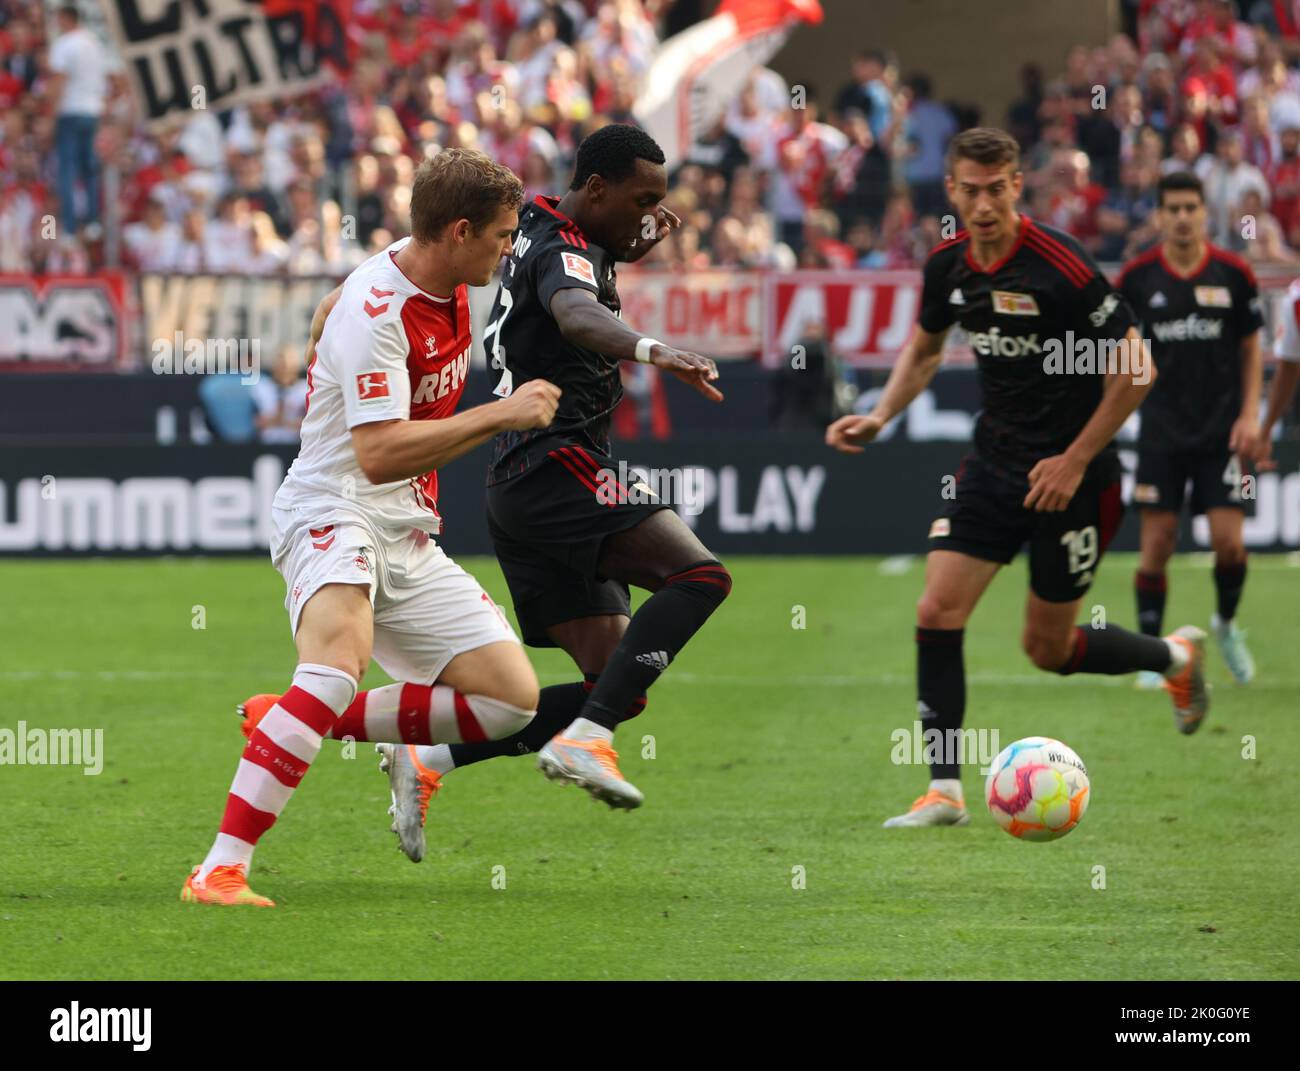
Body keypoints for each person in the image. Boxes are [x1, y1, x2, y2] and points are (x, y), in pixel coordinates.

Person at [182, 149, 560, 906]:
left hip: (404, 527)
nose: (506, 248)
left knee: (509, 698)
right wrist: (499, 412)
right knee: (332, 667)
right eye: (497, 235)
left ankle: (295, 718)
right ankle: (219, 869)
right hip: (334, 506)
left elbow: (357, 293)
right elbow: (378, 452)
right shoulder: (378, 311)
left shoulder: (437, 273)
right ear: (457, 231)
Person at [826, 128, 1209, 830]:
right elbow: (927, 346)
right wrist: (880, 414)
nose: (983, 204)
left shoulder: (1061, 267)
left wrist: (1072, 459)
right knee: (936, 610)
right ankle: (944, 789)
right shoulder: (947, 265)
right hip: (996, 464)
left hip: (1078, 477)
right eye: (969, 191)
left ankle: (1173, 655)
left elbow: (1137, 369)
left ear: (1015, 188)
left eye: (996, 190)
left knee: (1049, 650)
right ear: (952, 191)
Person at [1118, 172, 1264, 689]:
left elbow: (1252, 349)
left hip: (1220, 433)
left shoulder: (1233, 274)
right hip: (1159, 431)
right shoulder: (1136, 279)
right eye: (1172, 208)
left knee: (1229, 544)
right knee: (1156, 544)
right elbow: (1118, 353)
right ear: (1159, 216)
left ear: (1205, 213)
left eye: (1190, 208)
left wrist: (1250, 415)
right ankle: (1154, 653)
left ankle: (1225, 625)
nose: (1181, 217)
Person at [46, 4, 110, 238]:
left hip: (70, 111)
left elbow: (59, 81)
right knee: (90, 168)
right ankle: (93, 221)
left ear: (66, 19)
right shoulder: (95, 43)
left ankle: (70, 227)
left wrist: (51, 114)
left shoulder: (65, 44)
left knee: (67, 170)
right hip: (92, 112)